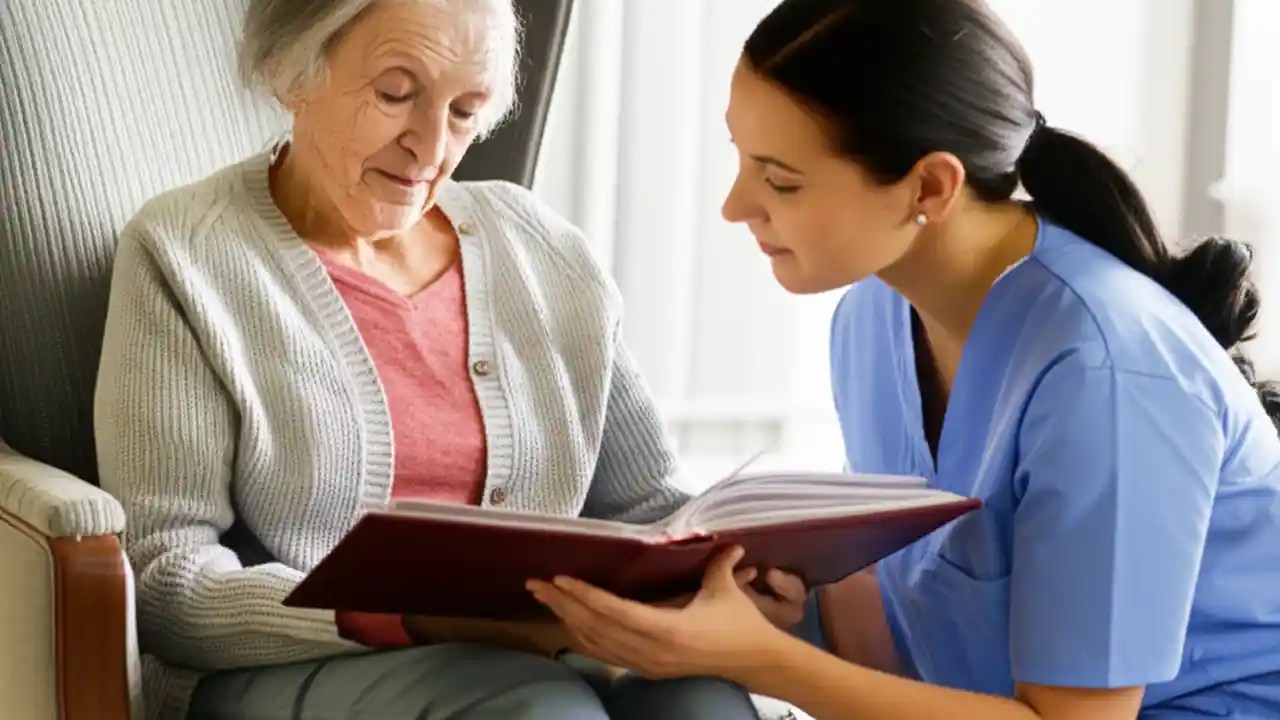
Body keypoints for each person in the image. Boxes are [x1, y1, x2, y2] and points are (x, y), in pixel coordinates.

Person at [527, 0, 1280, 718]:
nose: (736, 205)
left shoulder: (1107, 373)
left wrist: (762, 660)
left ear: (929, 186)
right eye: (743, 160)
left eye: (781, 179)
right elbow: (894, 630)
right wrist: (784, 618)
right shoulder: (873, 316)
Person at [93, 1, 769, 718]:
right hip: (288, 667)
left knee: (701, 701)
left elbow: (650, 511)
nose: (430, 147)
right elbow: (164, 581)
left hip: (539, 656)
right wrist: (418, 618)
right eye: (394, 94)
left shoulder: (542, 248)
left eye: (466, 109)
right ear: (289, 72)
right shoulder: (187, 253)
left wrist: (726, 575)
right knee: (540, 710)